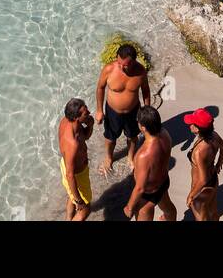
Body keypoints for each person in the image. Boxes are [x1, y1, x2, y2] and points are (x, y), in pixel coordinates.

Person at [96, 43, 150, 175]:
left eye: (125, 65)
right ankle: (109, 157)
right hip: (113, 112)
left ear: (134, 62)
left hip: (133, 111)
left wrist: (147, 110)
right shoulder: (109, 69)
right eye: (119, 63)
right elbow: (100, 88)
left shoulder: (140, 71)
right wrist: (99, 110)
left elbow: (146, 90)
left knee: (132, 137)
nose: (121, 67)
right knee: (110, 137)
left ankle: (130, 157)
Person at [123, 107, 176, 222]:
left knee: (144, 212)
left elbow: (140, 188)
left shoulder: (144, 154)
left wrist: (129, 207)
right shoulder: (165, 134)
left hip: (148, 193)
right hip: (163, 181)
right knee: (169, 209)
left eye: (138, 121)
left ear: (143, 127)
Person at [185, 109, 223, 221]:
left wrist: (191, 195)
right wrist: (219, 163)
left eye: (192, 123)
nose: (189, 125)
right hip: (213, 180)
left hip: (201, 188)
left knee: (202, 218)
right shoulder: (214, 136)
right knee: (213, 212)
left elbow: (203, 179)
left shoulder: (199, 151)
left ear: (197, 129)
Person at [58, 98, 94, 222]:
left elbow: (85, 137)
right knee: (85, 209)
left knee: (71, 196)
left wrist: (90, 125)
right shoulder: (72, 143)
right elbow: (70, 175)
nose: (89, 112)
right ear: (76, 117)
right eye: (85, 113)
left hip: (68, 166)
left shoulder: (66, 122)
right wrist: (79, 201)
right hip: (76, 175)